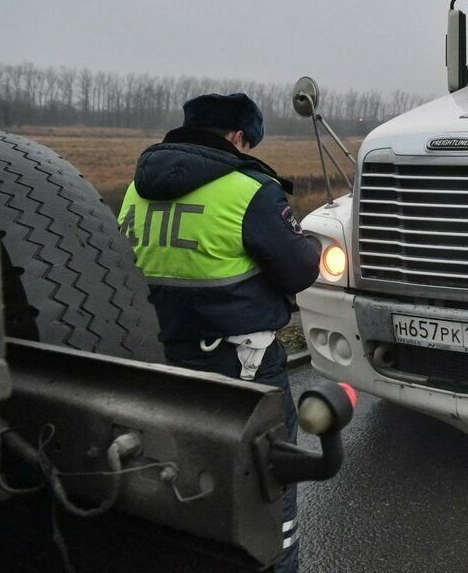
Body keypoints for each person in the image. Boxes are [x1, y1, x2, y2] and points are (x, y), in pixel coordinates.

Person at [119, 93, 319, 572]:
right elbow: (298, 272)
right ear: (236, 136)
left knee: (181, 479)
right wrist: (306, 242)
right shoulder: (249, 189)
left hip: (160, 358)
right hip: (242, 366)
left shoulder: (136, 189)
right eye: (247, 141)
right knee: (268, 488)